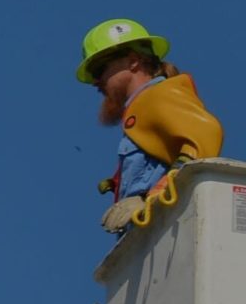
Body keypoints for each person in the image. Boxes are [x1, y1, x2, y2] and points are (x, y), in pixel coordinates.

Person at [76, 18, 224, 232]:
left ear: (133, 60)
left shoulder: (157, 96)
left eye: (99, 69)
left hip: (167, 231)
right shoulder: (141, 106)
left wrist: (151, 196)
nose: (95, 81)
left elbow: (207, 135)